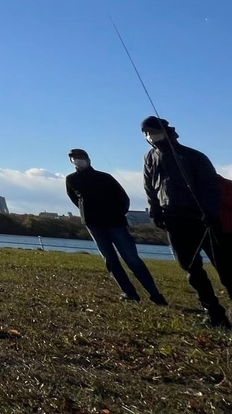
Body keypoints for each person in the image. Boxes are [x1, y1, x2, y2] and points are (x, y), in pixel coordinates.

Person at [142, 116, 232, 329]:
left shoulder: (193, 156)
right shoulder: (149, 158)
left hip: (203, 220)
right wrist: (155, 211)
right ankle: (214, 313)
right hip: (173, 220)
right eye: (146, 133)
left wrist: (210, 213)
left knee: (227, 268)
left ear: (167, 130)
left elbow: (212, 188)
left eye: (153, 130)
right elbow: (149, 186)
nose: (150, 136)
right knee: (191, 268)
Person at [65, 148, 167, 305]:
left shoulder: (105, 177)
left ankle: (155, 294)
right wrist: (87, 215)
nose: (77, 160)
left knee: (132, 259)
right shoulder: (71, 179)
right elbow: (75, 199)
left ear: (88, 159)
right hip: (93, 225)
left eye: (80, 157)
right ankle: (129, 293)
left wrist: (118, 214)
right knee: (111, 260)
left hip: (115, 223)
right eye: (74, 158)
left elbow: (123, 198)